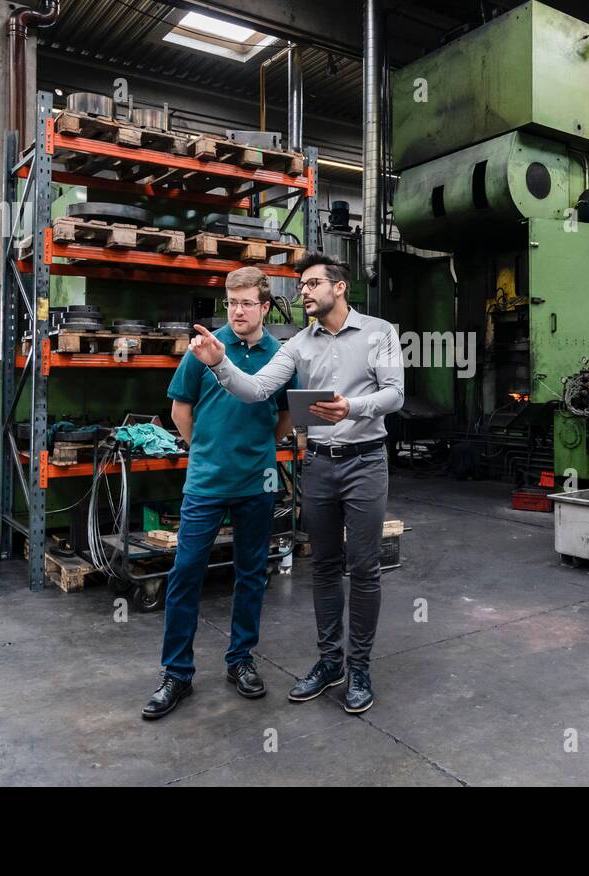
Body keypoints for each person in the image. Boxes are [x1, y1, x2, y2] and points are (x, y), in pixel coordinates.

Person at [188, 253, 403, 714]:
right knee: (324, 567)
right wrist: (220, 364)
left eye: (310, 284)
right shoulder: (297, 346)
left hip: (366, 462)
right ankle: (331, 663)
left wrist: (354, 408)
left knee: (363, 570)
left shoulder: (380, 332)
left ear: (339, 287)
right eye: (301, 285)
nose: (302, 292)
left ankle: (359, 667)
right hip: (320, 465)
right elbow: (256, 390)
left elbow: (395, 393)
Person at [142, 267, 291, 720]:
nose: (238, 311)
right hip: (206, 482)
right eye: (231, 302)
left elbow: (284, 418)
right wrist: (205, 451)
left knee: (251, 573)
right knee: (186, 573)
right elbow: (179, 410)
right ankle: (177, 673)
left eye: (247, 302)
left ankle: (240, 661)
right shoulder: (204, 349)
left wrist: (257, 448)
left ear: (265, 307)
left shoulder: (279, 355)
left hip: (258, 482)